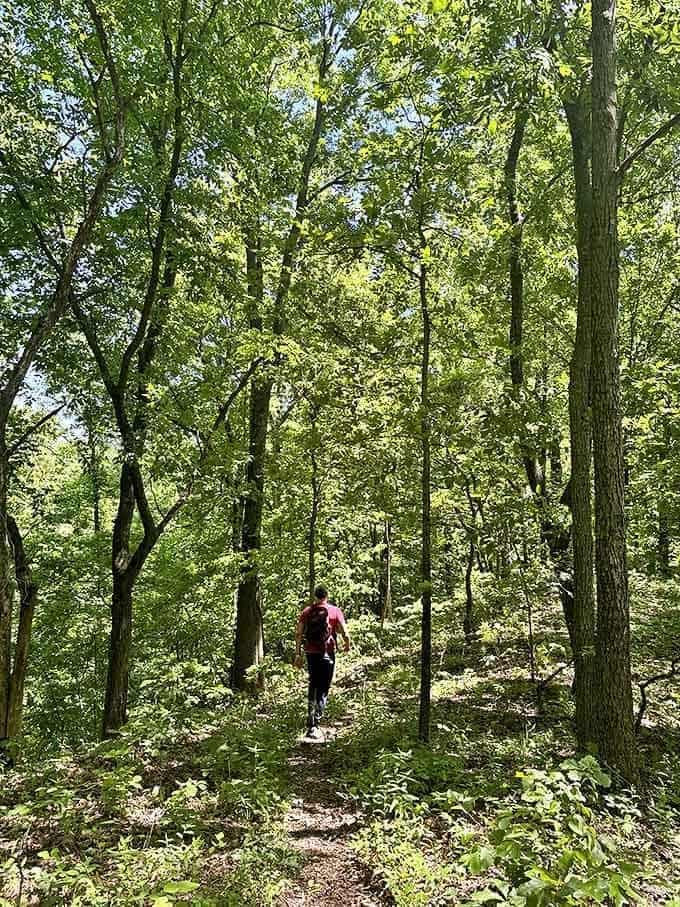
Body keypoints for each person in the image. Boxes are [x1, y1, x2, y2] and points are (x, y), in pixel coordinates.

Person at [294, 584, 350, 740]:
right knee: (324, 687)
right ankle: (316, 724)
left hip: (311, 653)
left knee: (313, 683)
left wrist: (297, 654)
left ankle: (311, 719)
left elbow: (298, 633)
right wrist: (347, 644)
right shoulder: (334, 611)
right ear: (327, 595)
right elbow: (344, 631)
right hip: (328, 653)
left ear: (315, 596)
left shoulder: (307, 612)